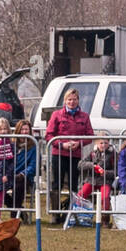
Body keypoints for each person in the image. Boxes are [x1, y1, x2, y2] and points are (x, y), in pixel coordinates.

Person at [44, 87, 90, 215]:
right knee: (56, 184)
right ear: (65, 101)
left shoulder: (85, 117)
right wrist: (62, 145)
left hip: (75, 155)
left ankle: (70, 212)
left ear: (78, 101)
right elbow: (49, 135)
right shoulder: (56, 115)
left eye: (74, 99)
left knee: (73, 185)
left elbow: (90, 136)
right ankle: (55, 213)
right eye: (69, 99)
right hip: (58, 154)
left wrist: (79, 143)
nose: (72, 102)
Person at [0, 117, 25, 220]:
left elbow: (12, 162)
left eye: (5, 129)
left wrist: (7, 174)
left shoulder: (11, 145)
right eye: (1, 129)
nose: (3, 131)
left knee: (0, 197)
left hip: (4, 175)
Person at [77, 135, 115, 212]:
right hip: (92, 180)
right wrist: (92, 165)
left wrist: (106, 173)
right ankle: (77, 214)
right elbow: (80, 164)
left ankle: (105, 219)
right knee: (80, 195)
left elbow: (116, 171)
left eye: (106, 143)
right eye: (101, 143)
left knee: (105, 198)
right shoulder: (92, 153)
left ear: (109, 143)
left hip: (105, 181)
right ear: (96, 143)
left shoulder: (113, 154)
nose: (103, 145)